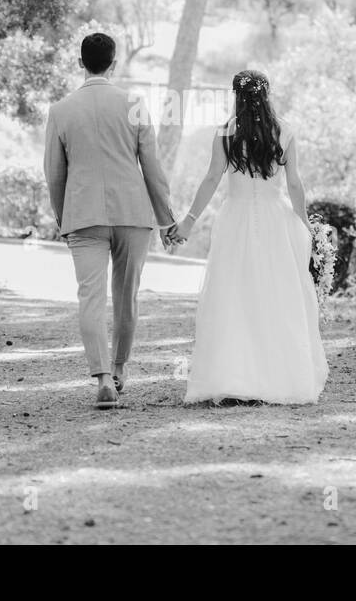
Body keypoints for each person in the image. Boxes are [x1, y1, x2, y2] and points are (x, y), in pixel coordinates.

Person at [169, 70, 328, 405]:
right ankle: (279, 376)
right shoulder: (283, 131)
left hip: (235, 219)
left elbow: (212, 178)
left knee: (234, 295)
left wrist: (189, 221)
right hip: (276, 219)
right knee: (277, 294)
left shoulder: (226, 133)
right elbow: (295, 184)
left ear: (236, 96)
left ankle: (234, 376)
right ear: (266, 95)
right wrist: (304, 225)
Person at [43, 33, 177, 409]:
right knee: (126, 297)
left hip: (84, 217)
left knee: (90, 297)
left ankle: (101, 377)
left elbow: (55, 175)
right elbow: (151, 167)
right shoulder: (134, 104)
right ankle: (119, 370)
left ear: (80, 62)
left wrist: (63, 216)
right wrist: (166, 219)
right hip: (133, 214)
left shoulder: (60, 110)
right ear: (113, 63)